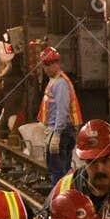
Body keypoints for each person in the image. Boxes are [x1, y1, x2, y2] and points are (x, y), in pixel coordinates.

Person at [37, 46, 82, 181]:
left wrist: (56, 134)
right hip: (60, 131)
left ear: (57, 63)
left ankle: (60, 198)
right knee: (60, 169)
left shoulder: (60, 84)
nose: (46, 68)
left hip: (61, 132)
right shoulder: (55, 81)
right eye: (44, 64)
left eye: (49, 64)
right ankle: (63, 197)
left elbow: (62, 111)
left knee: (58, 171)